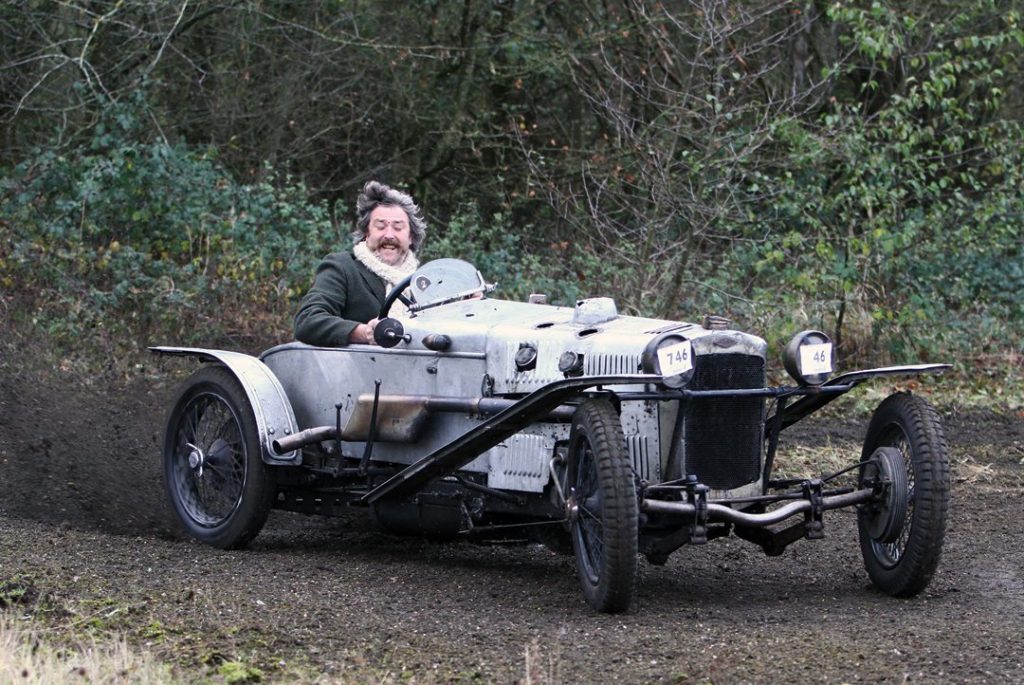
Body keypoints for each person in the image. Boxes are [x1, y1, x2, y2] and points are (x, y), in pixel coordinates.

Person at [294, 181, 427, 346]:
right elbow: (308, 320)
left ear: (411, 237)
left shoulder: (426, 282)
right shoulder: (342, 267)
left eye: (398, 228)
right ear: (366, 232)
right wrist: (365, 333)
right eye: (380, 226)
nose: (389, 235)